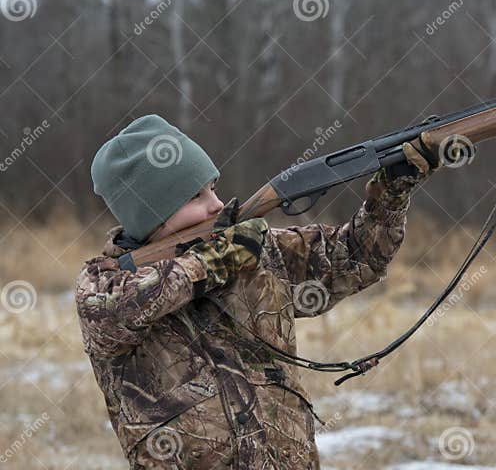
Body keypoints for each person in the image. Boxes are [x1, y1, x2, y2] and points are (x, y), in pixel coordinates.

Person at [74, 114, 439, 469]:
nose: (216, 204)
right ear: (150, 213)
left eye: (213, 188)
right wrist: (211, 263)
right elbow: (118, 310)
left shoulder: (249, 249)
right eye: (195, 197)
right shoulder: (104, 283)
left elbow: (353, 258)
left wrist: (390, 194)